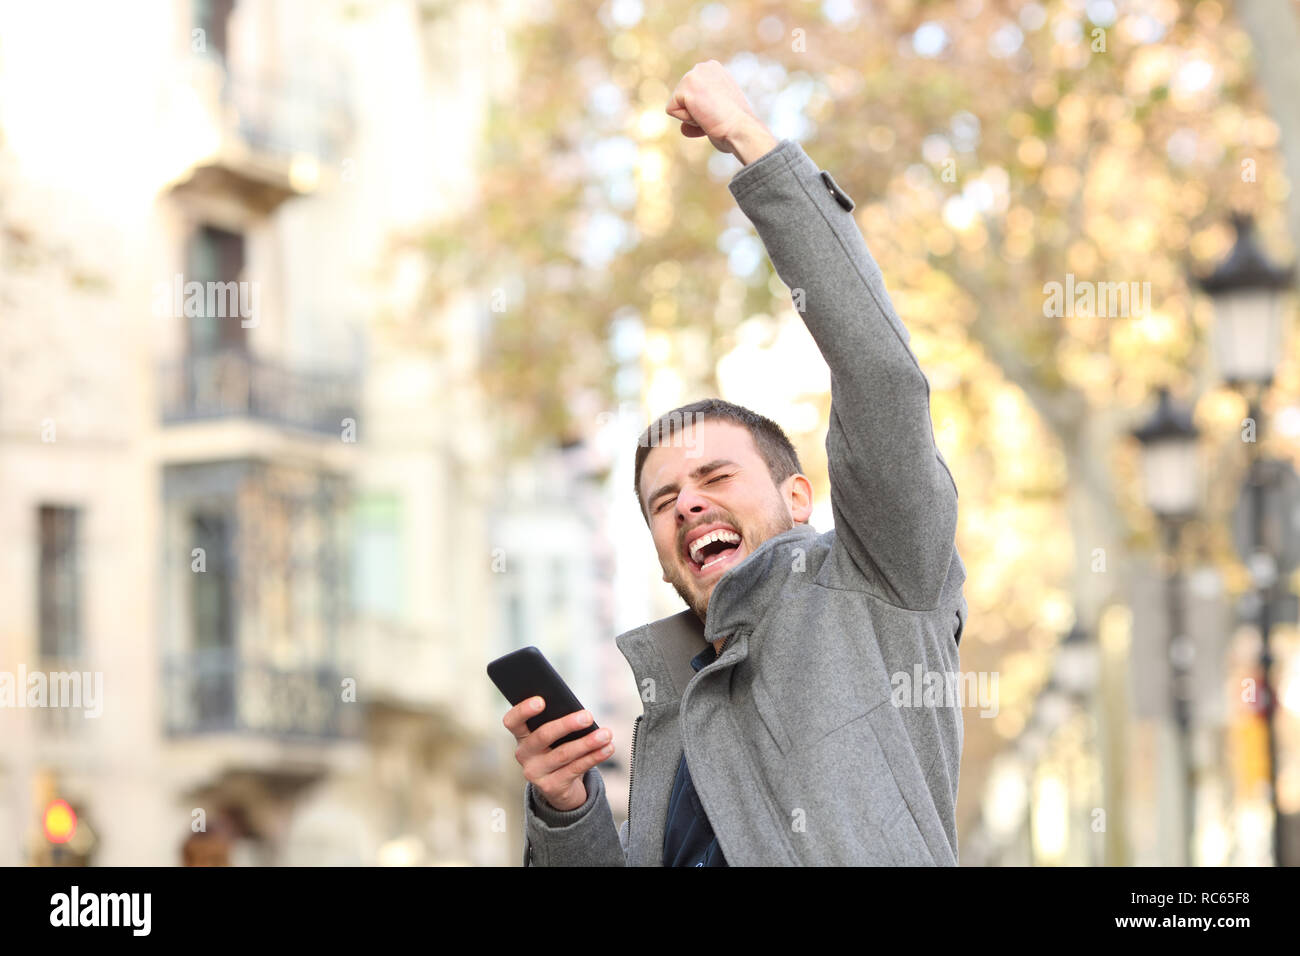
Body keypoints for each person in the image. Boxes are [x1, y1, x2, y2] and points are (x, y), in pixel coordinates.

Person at [504, 59, 967, 866]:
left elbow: (883, 377)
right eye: (662, 500)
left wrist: (753, 145)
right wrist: (565, 809)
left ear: (798, 497)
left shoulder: (879, 585)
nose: (686, 504)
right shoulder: (672, 711)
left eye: (716, 478)